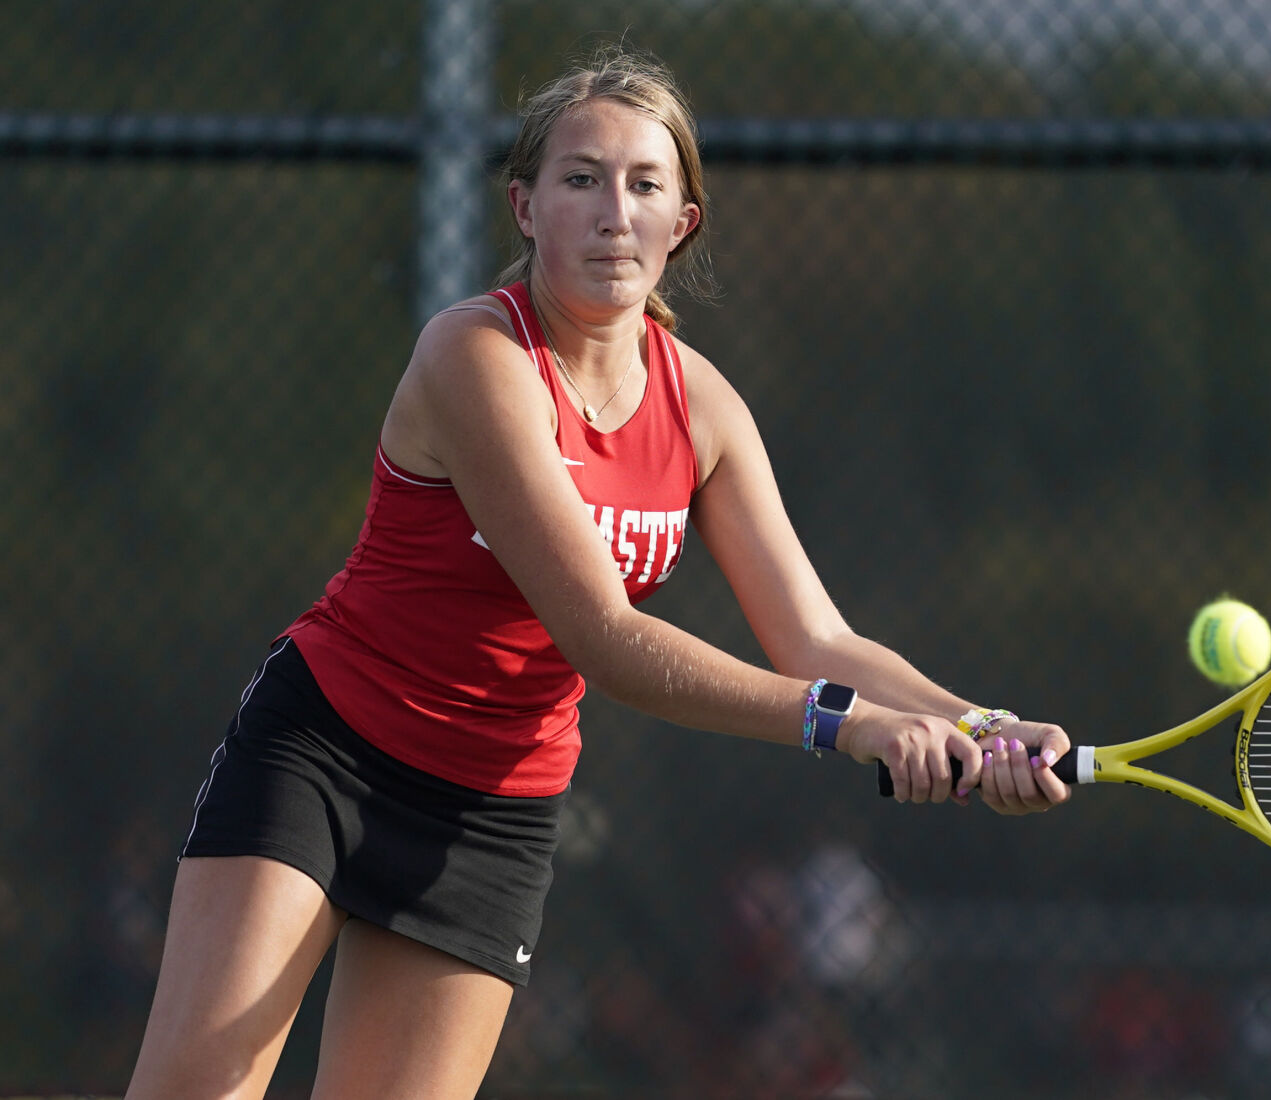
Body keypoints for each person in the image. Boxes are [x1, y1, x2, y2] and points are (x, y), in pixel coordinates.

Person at [127, 43, 1071, 1098]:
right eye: (580, 179)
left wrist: (986, 725)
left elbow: (819, 637)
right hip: (327, 752)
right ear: (525, 207)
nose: (612, 211)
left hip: (491, 813)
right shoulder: (476, 356)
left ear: (683, 223)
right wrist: (846, 724)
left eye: (644, 184)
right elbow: (605, 639)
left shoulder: (703, 408)